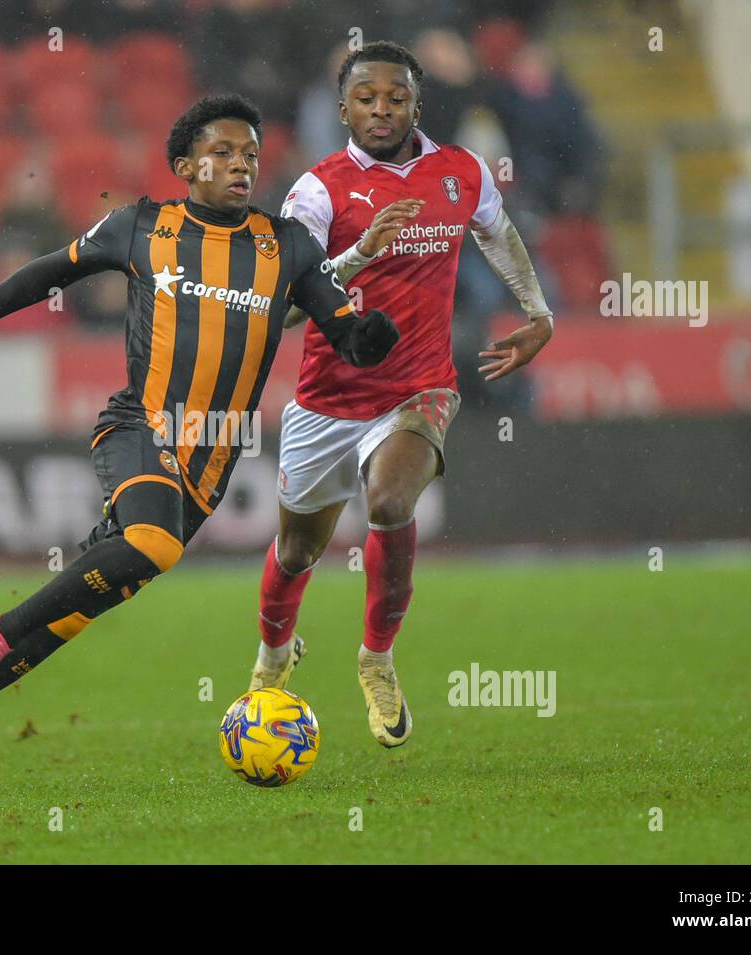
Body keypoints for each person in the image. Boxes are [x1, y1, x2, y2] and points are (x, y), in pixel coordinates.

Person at [0, 95, 401, 801]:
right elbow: (42, 275)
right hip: (139, 427)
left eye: (251, 154)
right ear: (185, 165)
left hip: (210, 465)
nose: (242, 163)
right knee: (152, 544)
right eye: (224, 151)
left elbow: (341, 329)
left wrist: (370, 338)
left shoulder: (289, 246)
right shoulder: (143, 226)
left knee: (66, 621)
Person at [248, 41, 554, 747]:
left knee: (389, 503)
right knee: (295, 552)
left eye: (395, 97)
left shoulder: (460, 171)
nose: (380, 110)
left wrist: (539, 313)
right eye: (365, 98)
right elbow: (288, 312)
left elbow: (500, 235)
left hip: (419, 388)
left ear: (417, 104)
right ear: (342, 108)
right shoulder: (318, 190)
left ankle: (377, 659)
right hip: (327, 399)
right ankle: (271, 658)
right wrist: (360, 254)